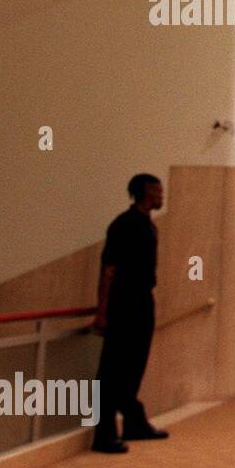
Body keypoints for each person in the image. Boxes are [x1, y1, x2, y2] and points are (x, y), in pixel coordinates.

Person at [91, 174, 169, 453]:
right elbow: (108, 270)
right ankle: (104, 434)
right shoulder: (123, 225)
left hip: (142, 301)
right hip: (124, 304)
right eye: (159, 190)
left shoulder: (149, 226)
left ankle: (134, 423)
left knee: (135, 366)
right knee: (112, 370)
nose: (162, 196)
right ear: (146, 192)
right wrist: (102, 311)